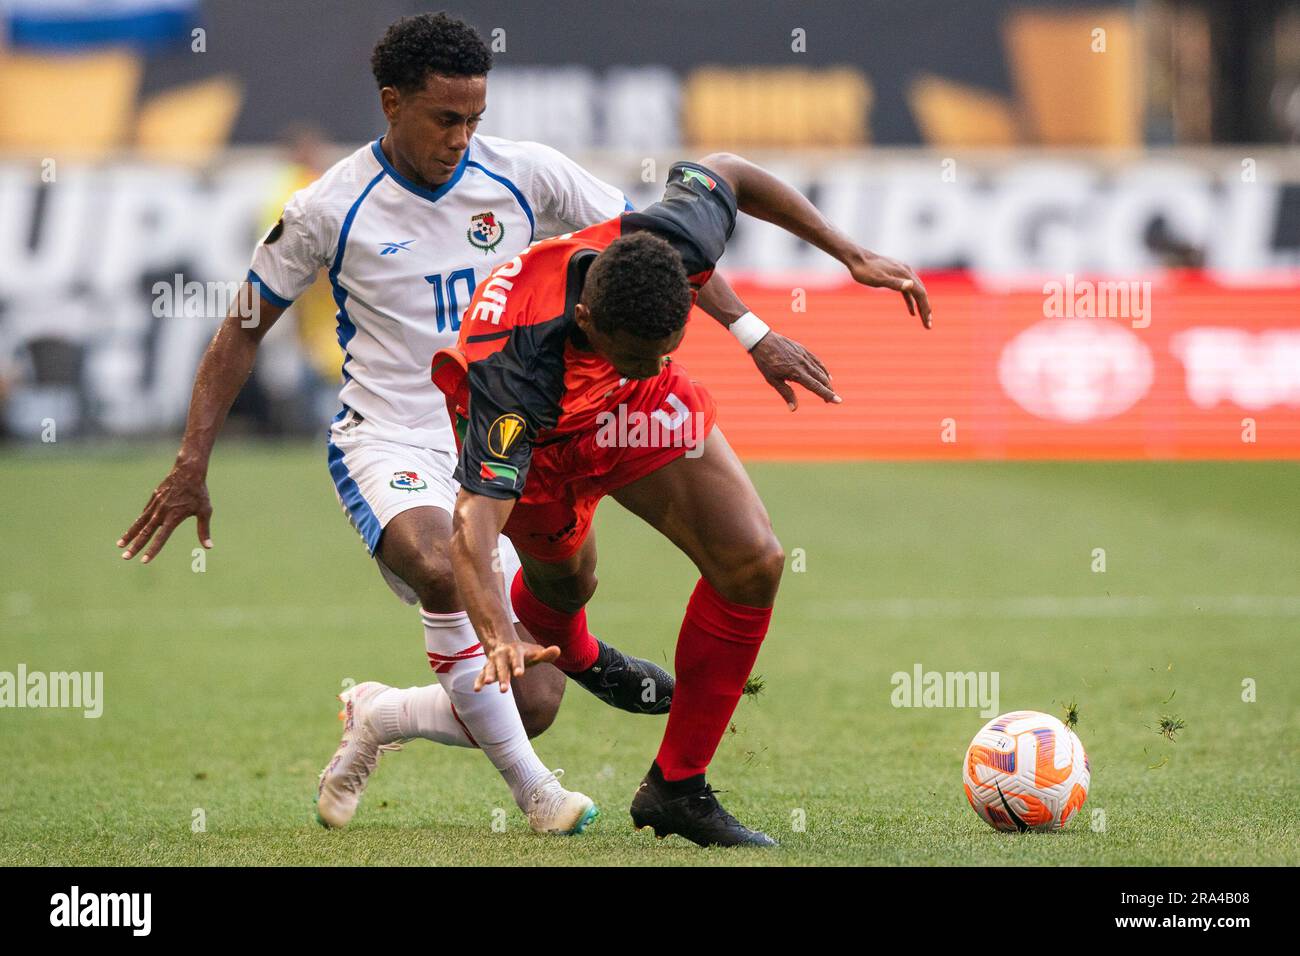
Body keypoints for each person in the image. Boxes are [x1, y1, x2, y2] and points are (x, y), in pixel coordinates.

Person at [114, 13, 834, 835]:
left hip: (508, 430)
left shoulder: (529, 175)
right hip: (392, 437)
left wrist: (753, 331)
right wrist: (191, 462)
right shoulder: (327, 207)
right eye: (445, 119)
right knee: (442, 567)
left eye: (475, 119)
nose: (462, 137)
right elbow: (242, 325)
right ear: (392, 102)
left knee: (534, 696)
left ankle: (383, 715)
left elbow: (652, 257)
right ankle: (539, 796)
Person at [436, 154, 931, 847]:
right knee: (568, 581)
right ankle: (580, 655)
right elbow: (471, 526)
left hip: (629, 407)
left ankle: (677, 787)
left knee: (754, 561)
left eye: (669, 347)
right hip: (542, 445)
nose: (661, 359)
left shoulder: (668, 249)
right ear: (587, 319)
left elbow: (732, 169)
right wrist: (494, 637)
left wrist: (845, 259)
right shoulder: (510, 374)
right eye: (642, 351)